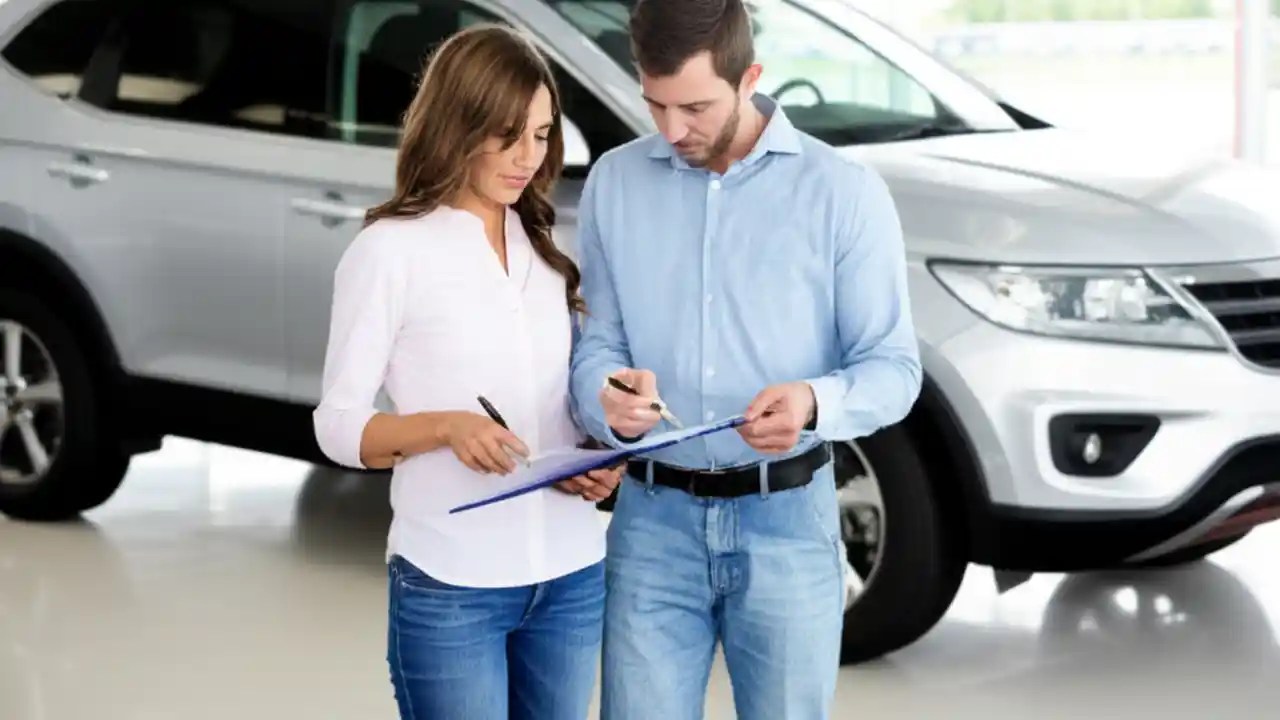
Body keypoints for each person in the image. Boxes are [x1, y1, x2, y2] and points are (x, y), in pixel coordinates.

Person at [569, 0, 923, 717]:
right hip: (651, 525)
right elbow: (598, 344)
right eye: (655, 104)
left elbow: (893, 368)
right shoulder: (615, 182)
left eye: (695, 107)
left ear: (751, 76)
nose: (672, 130)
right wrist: (602, 397)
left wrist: (814, 402)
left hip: (788, 523)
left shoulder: (843, 194)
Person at [312, 24, 622, 720]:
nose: (527, 157)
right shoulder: (389, 253)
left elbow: (561, 402)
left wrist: (598, 458)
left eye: (542, 135)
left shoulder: (547, 251)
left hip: (571, 574)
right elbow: (337, 426)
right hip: (453, 585)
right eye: (508, 134)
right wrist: (448, 427)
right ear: (457, 124)